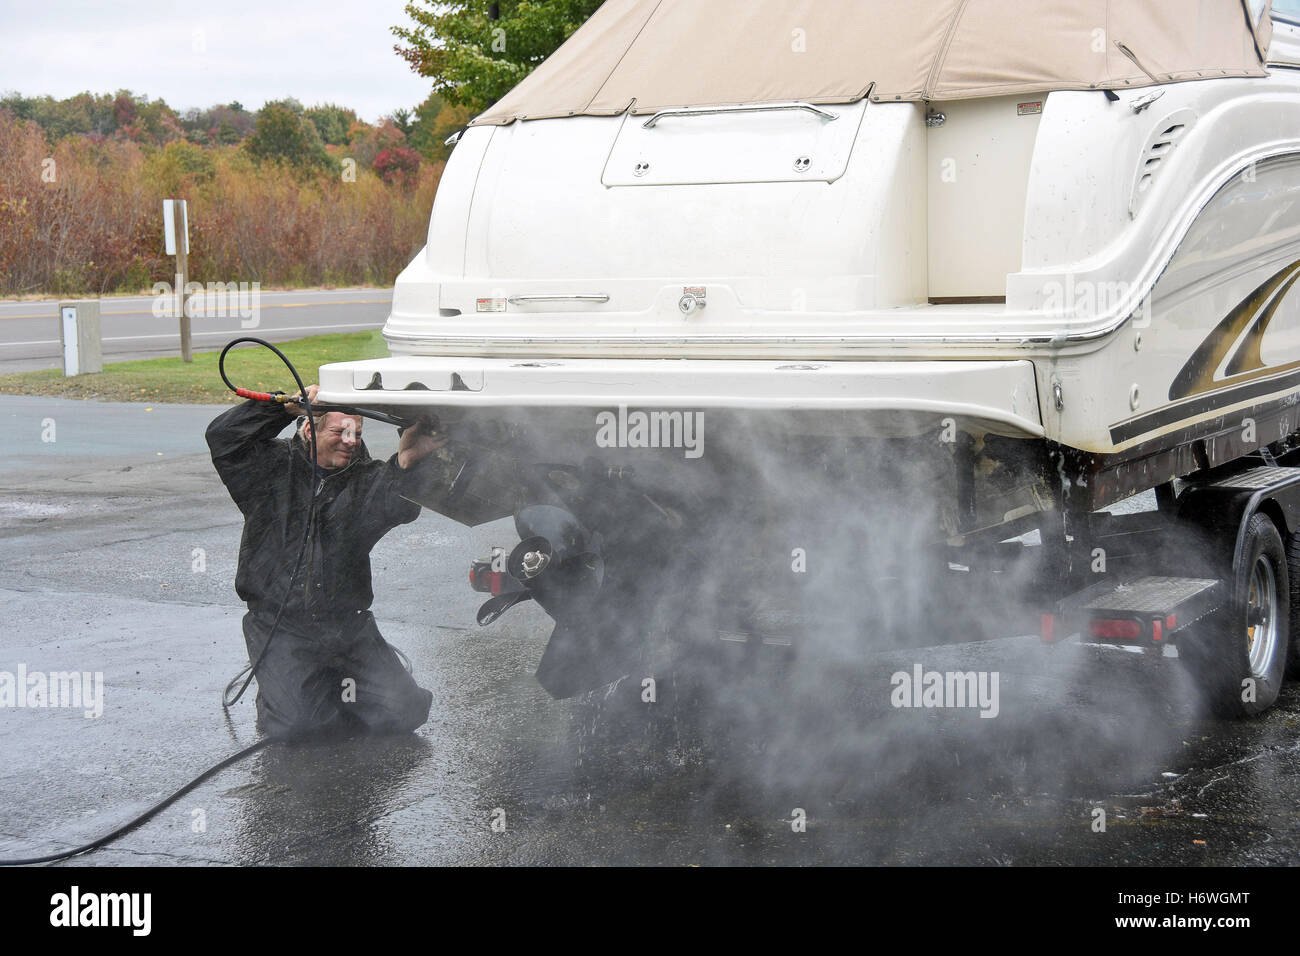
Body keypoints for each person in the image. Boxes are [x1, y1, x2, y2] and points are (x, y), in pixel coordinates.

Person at [206, 384, 444, 740]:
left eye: (356, 433)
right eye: (338, 431)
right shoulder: (268, 468)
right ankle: (292, 686)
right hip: (282, 626)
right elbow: (223, 437)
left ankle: (324, 684)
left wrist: (407, 462)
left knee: (406, 712)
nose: (349, 440)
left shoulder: (368, 480)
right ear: (308, 428)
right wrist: (285, 407)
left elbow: (400, 505)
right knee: (300, 727)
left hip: (348, 628)